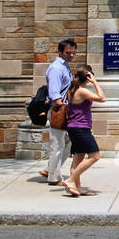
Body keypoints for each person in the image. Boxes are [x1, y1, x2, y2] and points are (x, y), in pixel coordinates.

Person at [62, 66, 105, 198]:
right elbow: (101, 98)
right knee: (95, 156)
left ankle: (77, 187)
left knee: (78, 157)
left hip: (74, 127)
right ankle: (71, 180)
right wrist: (95, 82)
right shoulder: (82, 91)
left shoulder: (71, 90)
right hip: (80, 128)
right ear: (87, 77)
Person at [39, 38, 77, 186]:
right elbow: (55, 93)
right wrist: (62, 109)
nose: (71, 55)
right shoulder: (56, 68)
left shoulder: (64, 66)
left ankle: (50, 169)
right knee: (57, 144)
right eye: (68, 53)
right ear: (60, 52)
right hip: (58, 110)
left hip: (64, 110)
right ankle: (54, 178)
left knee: (68, 142)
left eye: (73, 53)